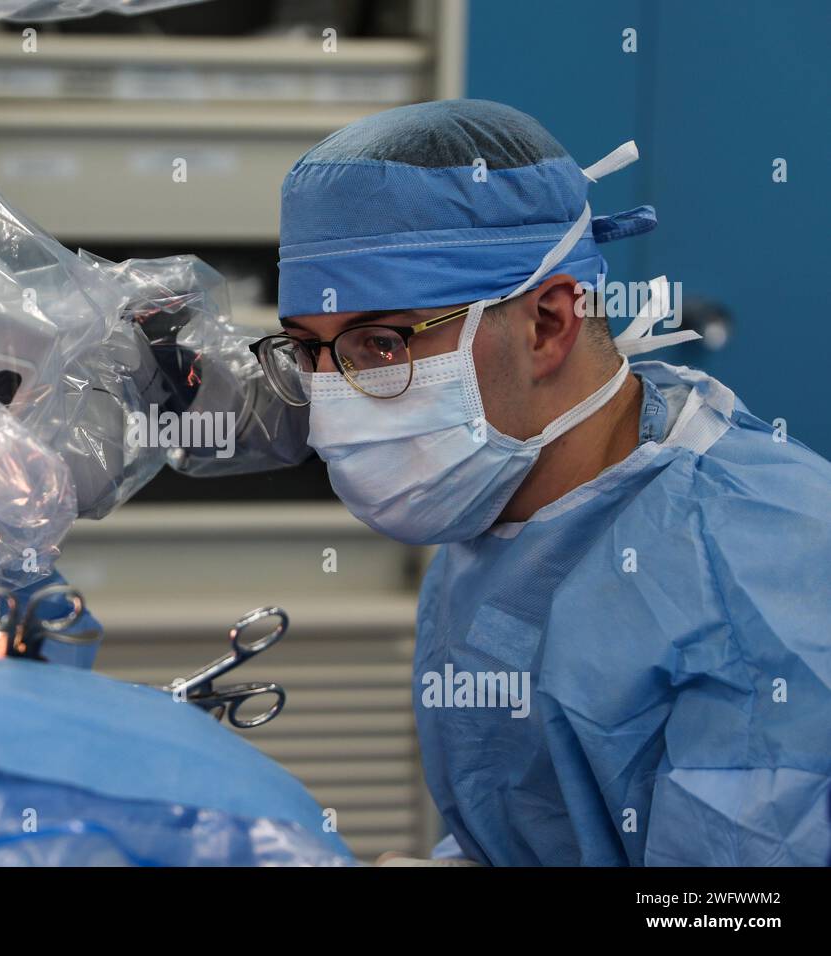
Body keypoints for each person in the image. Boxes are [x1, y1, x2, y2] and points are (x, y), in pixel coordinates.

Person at [254, 99, 831, 865]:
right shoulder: (511, 504)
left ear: (549, 323)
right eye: (307, 350)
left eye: (379, 343)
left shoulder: (756, 572)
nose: (335, 396)